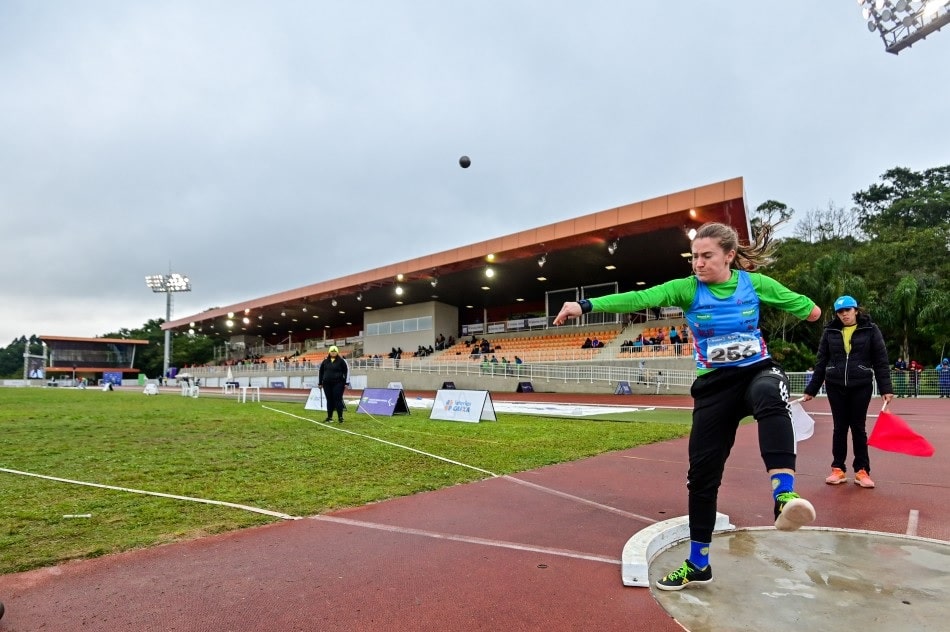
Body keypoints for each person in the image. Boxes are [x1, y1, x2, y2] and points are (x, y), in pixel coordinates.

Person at [553, 221, 821, 591]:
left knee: (769, 394)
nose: (698, 263)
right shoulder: (687, 289)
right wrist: (584, 304)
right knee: (702, 477)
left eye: (707, 256)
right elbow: (640, 299)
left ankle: (784, 495)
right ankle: (698, 564)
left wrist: (807, 309)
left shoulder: (753, 284)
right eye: (694, 256)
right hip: (714, 387)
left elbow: (812, 311)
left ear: (729, 256)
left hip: (756, 370)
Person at [802, 295, 894, 489]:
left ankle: (862, 471)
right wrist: (812, 389)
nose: (844, 315)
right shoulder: (830, 331)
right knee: (839, 427)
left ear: (856, 311)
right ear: (837, 314)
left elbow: (880, 360)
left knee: (858, 428)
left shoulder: (870, 329)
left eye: (848, 310)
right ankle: (838, 469)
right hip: (835, 386)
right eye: (840, 312)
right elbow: (821, 362)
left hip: (861, 385)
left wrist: (886, 388)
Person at [318, 345, 348, 423]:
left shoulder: (342, 361)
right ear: (329, 352)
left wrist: (346, 382)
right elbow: (321, 372)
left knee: (338, 399)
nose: (333, 353)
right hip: (326, 384)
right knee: (329, 400)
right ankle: (329, 417)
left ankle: (340, 418)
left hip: (338, 383)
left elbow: (346, 371)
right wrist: (320, 383)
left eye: (335, 352)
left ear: (337, 352)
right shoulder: (325, 361)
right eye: (332, 351)